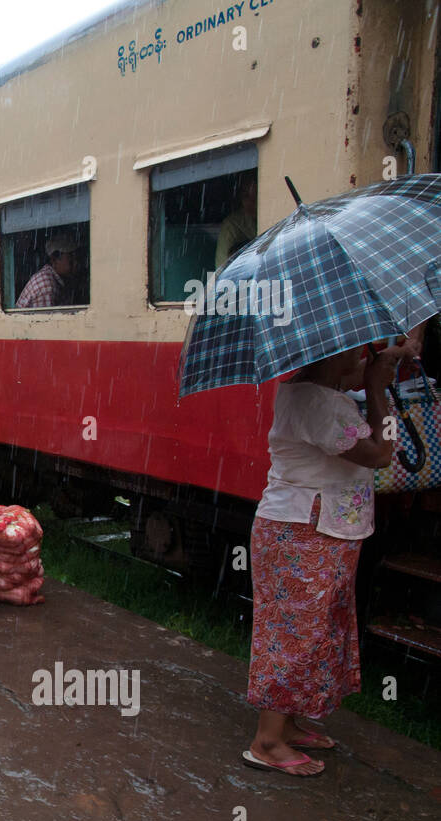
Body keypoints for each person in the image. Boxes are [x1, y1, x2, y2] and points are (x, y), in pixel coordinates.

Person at [244, 336, 421, 776]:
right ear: (331, 352)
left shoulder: (306, 392)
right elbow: (381, 454)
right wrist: (379, 388)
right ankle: (266, 741)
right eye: (355, 348)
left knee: (316, 629)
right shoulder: (322, 405)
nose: (363, 355)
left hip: (316, 532)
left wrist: (386, 366)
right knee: (296, 635)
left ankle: (288, 723)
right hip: (303, 534)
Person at [15, 235, 77, 309]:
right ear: (54, 260)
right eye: (71, 258)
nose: (76, 262)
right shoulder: (46, 285)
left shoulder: (58, 280)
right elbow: (45, 320)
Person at [216, 172, 258, 268]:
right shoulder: (232, 225)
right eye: (246, 195)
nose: (251, 201)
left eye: (256, 194)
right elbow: (222, 271)